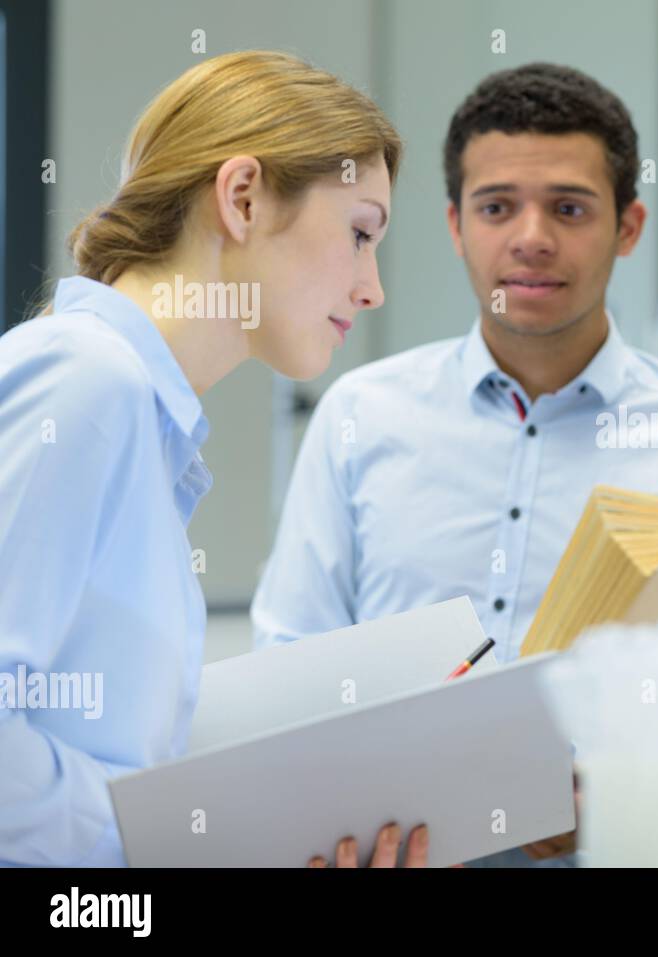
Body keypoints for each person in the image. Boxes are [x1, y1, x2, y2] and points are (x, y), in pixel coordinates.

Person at [0, 51, 420, 868]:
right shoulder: (85, 381)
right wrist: (176, 839)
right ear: (243, 198)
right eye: (359, 233)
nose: (373, 288)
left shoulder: (144, 425)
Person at [250, 64, 658, 865]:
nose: (531, 236)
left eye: (570, 207)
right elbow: (291, 667)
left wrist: (621, 794)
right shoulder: (361, 414)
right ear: (454, 225)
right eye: (496, 206)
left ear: (628, 227)